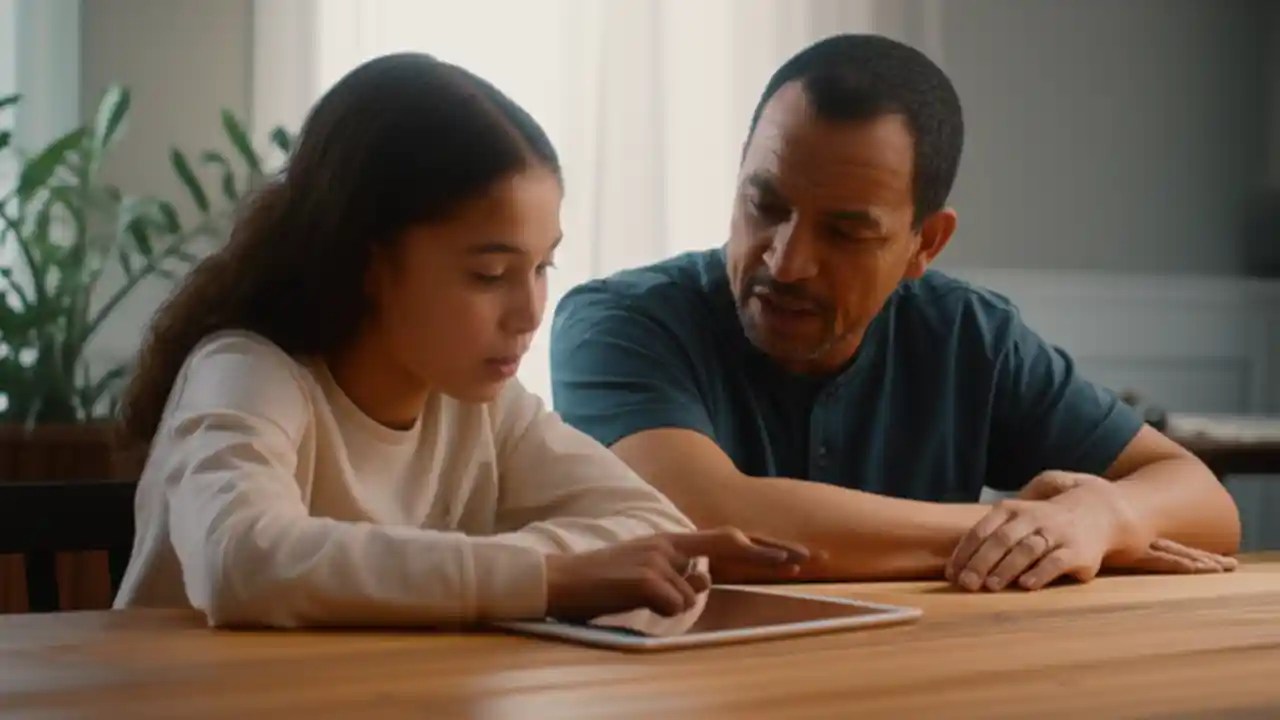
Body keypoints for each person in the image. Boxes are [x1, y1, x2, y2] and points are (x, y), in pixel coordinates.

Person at [112, 53, 805, 629]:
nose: (530, 311)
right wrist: (549, 576)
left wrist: (567, 573)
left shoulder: (480, 405)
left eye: (542, 267)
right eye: (489, 274)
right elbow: (242, 562)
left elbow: (661, 537)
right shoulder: (247, 371)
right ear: (367, 262)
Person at [550, 34, 1240, 592]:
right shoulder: (620, 323)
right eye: (765, 205)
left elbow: (1204, 502)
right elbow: (706, 516)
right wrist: (1025, 529)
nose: (787, 262)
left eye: (847, 233)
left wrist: (1107, 514)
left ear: (925, 244)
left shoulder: (969, 334)